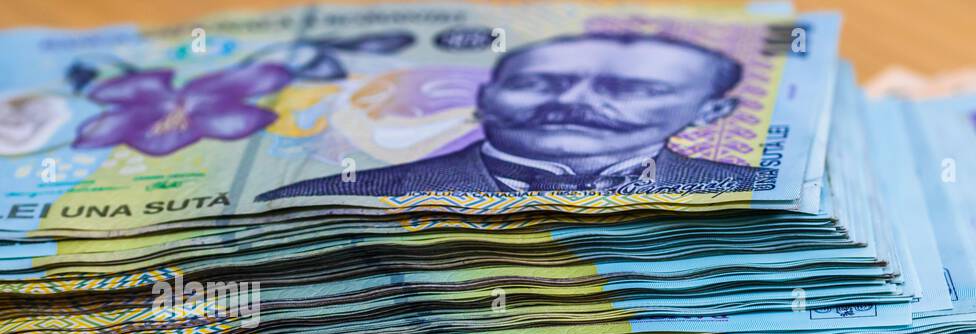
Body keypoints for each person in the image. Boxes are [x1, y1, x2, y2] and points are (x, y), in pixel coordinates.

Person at [257, 32, 762, 198]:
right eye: (538, 83)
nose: (571, 102)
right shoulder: (327, 200)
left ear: (711, 111)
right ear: (484, 96)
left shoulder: (765, 201)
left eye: (632, 88)